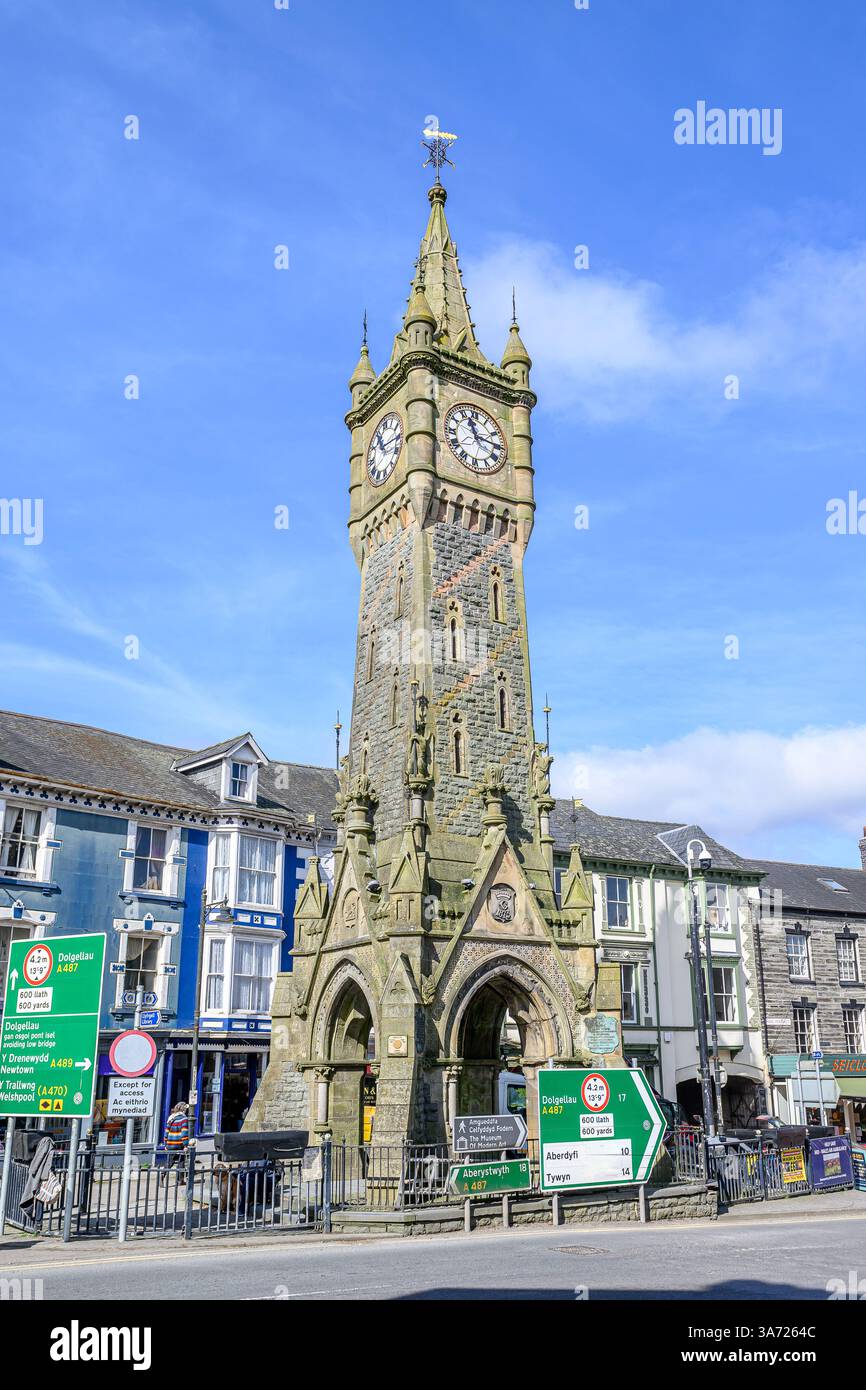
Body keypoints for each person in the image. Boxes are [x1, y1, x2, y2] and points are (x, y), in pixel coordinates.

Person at [162, 1101, 190, 1183]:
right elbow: (184, 1132)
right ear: (183, 1109)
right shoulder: (184, 1119)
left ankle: (162, 1174)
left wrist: (166, 1144)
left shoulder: (171, 1117)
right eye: (186, 1109)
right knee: (181, 1161)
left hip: (170, 1143)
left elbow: (166, 1131)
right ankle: (179, 1180)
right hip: (179, 1144)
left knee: (170, 1161)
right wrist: (185, 1145)